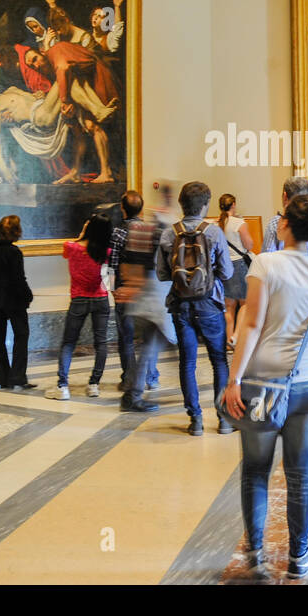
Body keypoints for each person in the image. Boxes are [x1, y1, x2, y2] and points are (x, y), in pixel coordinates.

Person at [221, 194, 308, 581]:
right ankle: (299, 557)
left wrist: (233, 379)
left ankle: (255, 550)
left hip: (263, 383)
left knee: (256, 470)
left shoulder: (265, 263)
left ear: (286, 226)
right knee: (300, 473)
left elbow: (252, 325)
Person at [156, 181, 234, 436]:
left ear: (181, 204)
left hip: (180, 305)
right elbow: (227, 271)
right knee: (219, 360)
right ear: (205, 204)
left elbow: (161, 274)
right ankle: (223, 420)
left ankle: (196, 420)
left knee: (187, 362)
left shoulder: (170, 233)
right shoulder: (213, 233)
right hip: (210, 303)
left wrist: (184, 279)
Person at [112, 191, 172, 413]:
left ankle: (133, 391)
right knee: (153, 345)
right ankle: (135, 393)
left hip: (147, 300)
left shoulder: (141, 231)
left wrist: (128, 287)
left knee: (149, 345)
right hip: (156, 300)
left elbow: (126, 263)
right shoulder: (162, 230)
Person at [47, 212, 114, 400]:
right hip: (101, 298)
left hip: (79, 299)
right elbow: (109, 281)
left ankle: (62, 386)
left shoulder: (72, 248)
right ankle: (94, 384)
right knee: (100, 343)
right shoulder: (107, 252)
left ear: (89, 228)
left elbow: (68, 249)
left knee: (69, 342)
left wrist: (82, 234)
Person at [0, 215, 34, 390]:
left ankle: (3, 378)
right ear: (16, 232)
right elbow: (18, 280)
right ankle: (17, 376)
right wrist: (28, 296)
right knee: (21, 335)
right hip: (14, 303)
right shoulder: (14, 252)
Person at [217, 193, 254, 350]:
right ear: (233, 205)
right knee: (244, 303)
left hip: (224, 266)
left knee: (229, 305)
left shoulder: (217, 224)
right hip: (239, 265)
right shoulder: (239, 223)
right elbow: (249, 245)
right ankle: (236, 337)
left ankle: (228, 340)